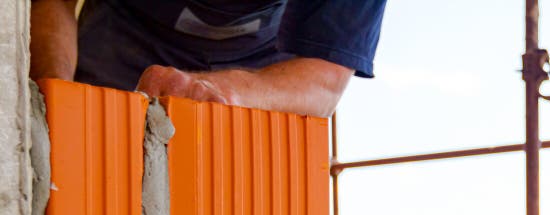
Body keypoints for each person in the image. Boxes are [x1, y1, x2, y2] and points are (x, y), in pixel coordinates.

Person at [30, 0, 387, 117]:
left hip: (262, 65)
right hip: (122, 36)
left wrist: (222, 91)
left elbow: (323, 81)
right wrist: (54, 97)